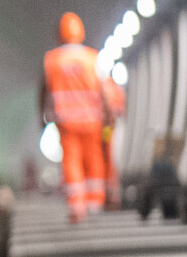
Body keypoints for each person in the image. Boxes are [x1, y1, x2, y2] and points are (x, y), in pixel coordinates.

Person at [40, 12, 111, 222]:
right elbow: (103, 89)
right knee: (94, 158)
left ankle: (76, 206)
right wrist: (107, 113)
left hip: (66, 120)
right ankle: (95, 202)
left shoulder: (52, 60)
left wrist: (42, 114)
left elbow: (43, 89)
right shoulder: (91, 57)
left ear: (59, 34)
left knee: (71, 160)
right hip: (91, 119)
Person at [100, 68, 127, 211]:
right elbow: (122, 111)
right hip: (109, 129)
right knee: (111, 161)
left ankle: (108, 196)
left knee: (105, 162)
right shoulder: (115, 89)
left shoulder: (101, 87)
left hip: (102, 129)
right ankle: (112, 196)